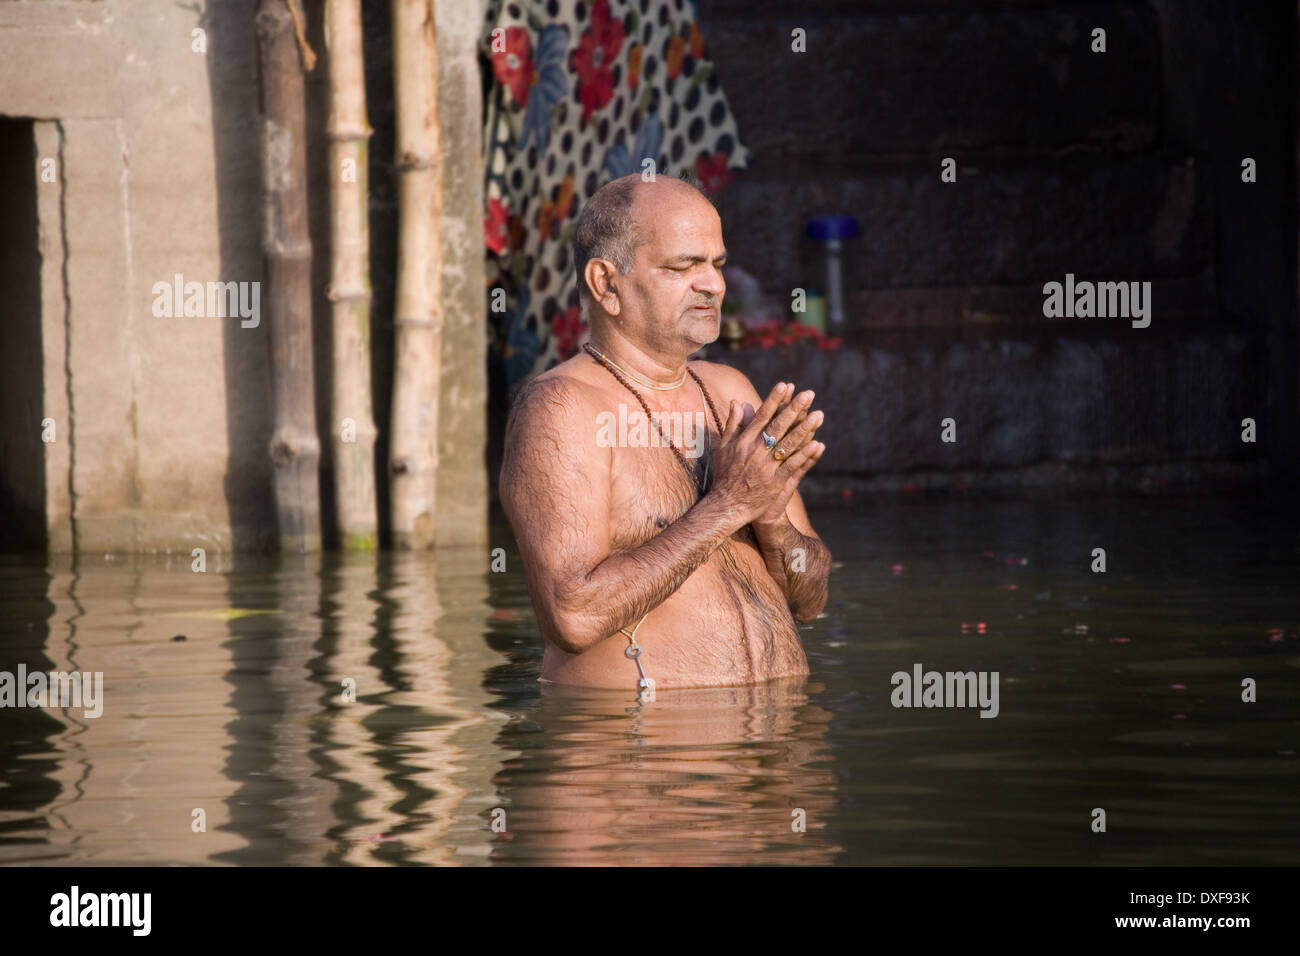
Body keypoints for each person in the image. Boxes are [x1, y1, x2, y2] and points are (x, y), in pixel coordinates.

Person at [499, 173, 831, 690]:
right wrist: (727, 506)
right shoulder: (562, 408)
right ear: (606, 284)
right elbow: (573, 616)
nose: (714, 285)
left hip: (780, 739)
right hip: (640, 751)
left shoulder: (731, 392)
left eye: (717, 264)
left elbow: (811, 600)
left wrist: (769, 518)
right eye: (685, 266)